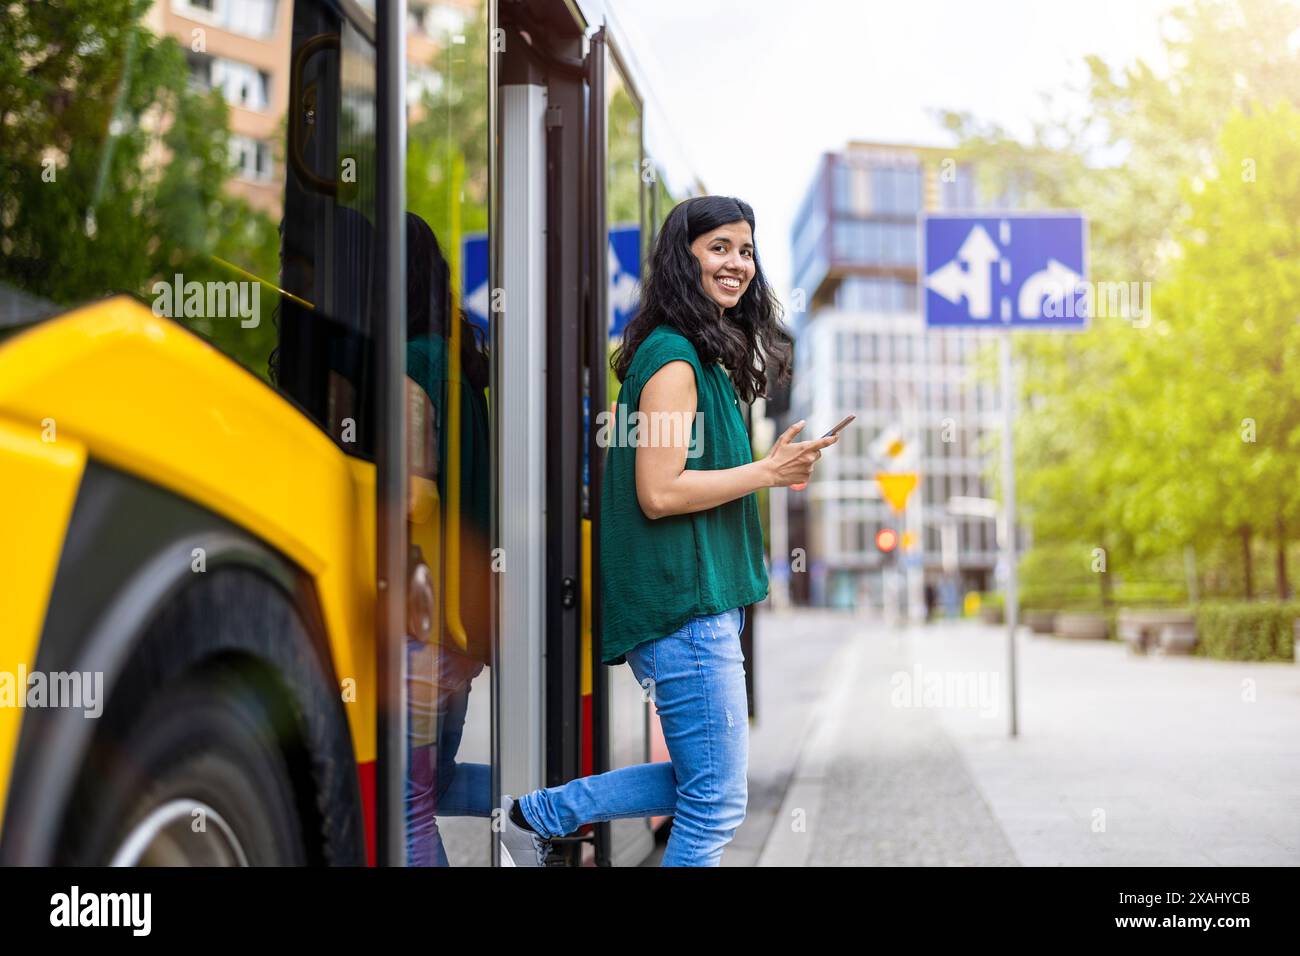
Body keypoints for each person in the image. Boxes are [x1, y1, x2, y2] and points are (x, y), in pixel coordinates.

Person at [502, 195, 837, 866]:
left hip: (699, 602)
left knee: (707, 785)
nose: (737, 262)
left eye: (746, 249)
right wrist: (768, 472)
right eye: (720, 247)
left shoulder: (701, 356)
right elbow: (658, 492)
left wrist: (773, 469)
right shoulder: (674, 359)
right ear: (684, 258)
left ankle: (541, 814)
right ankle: (540, 813)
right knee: (714, 805)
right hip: (684, 606)